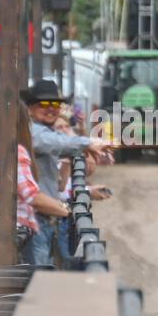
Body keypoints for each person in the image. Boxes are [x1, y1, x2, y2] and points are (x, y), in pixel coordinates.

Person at [22, 80, 109, 265]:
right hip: (34, 218)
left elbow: (59, 147)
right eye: (44, 103)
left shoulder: (43, 132)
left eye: (55, 103)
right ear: (30, 107)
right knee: (39, 279)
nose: (50, 108)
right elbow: (50, 142)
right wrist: (88, 143)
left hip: (44, 217)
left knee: (44, 275)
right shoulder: (33, 131)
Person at [0, 105, 71, 265]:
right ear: (23, 122)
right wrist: (67, 210)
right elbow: (33, 196)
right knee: (33, 282)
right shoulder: (15, 151)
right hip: (12, 232)